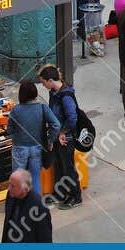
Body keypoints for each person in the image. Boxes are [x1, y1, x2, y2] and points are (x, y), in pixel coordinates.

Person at [38, 65, 82, 209]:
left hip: (66, 138)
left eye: (43, 82)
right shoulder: (54, 93)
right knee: (58, 165)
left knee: (68, 167)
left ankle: (76, 196)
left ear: (50, 80)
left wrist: (63, 132)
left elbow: (72, 118)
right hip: (57, 136)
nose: (43, 85)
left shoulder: (65, 96)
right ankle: (60, 193)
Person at [6, 79, 59, 194]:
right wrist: (50, 140)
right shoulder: (42, 108)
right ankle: (36, 202)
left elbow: (9, 130)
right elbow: (56, 125)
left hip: (19, 149)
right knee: (35, 179)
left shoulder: (16, 110)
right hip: (37, 148)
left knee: (18, 180)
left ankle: (20, 202)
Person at [0, 169, 53, 243]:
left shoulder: (39, 207)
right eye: (9, 184)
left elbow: (45, 238)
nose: (8, 188)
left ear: (25, 189)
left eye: (12, 186)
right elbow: (7, 222)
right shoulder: (11, 195)